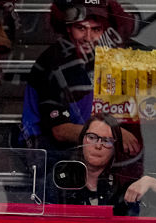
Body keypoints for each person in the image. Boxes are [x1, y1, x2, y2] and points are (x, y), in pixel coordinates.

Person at [26, 0, 140, 163]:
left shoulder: (106, 56)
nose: (88, 37)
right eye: (81, 28)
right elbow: (60, 131)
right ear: (69, 29)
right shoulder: (52, 63)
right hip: (55, 156)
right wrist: (115, 133)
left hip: (98, 151)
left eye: (96, 29)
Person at [56, 114, 156, 216]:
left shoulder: (127, 178)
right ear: (82, 140)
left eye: (106, 141)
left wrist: (152, 182)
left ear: (115, 147)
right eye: (92, 137)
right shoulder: (61, 175)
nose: (98, 145)